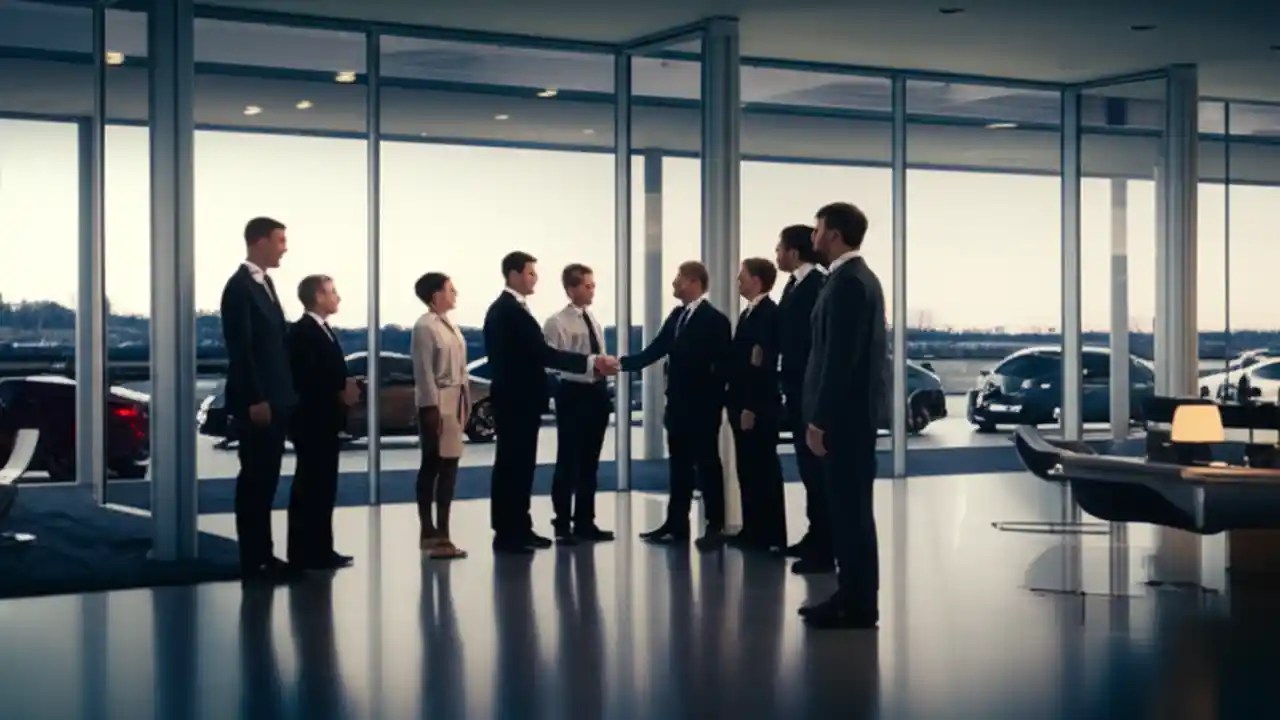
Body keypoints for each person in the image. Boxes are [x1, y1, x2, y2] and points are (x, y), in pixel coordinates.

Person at [483, 251, 618, 554]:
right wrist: (591, 363)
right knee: (513, 466)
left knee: (520, 466)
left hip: (523, 401)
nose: (535, 278)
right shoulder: (507, 311)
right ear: (514, 275)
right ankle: (510, 532)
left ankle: (519, 527)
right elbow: (544, 355)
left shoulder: (513, 310)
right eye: (530, 273)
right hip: (518, 401)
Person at [800, 202, 887, 630]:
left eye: (817, 230)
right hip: (851, 421)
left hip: (844, 424)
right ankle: (851, 596)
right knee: (849, 512)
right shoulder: (854, 279)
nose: (812, 237)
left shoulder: (849, 283)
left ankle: (856, 604)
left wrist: (820, 419)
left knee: (850, 513)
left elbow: (839, 359)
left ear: (834, 235)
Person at [620, 261, 731, 552]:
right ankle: (676, 524)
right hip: (679, 407)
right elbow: (655, 350)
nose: (674, 283)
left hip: (703, 410)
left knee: (708, 466)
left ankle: (715, 525)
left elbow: (721, 370)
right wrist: (621, 364)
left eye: (679, 278)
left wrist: (712, 406)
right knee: (679, 467)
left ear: (694, 282)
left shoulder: (715, 320)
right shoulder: (678, 316)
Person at [220, 216, 298, 582]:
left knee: (266, 480)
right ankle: (254, 560)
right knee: (255, 480)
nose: (285, 246)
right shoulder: (239, 288)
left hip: (275, 397)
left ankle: (264, 555)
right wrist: (256, 397)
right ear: (260, 241)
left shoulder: (264, 284)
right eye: (280, 240)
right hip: (259, 400)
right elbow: (243, 348)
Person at [286, 274, 358, 571]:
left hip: (325, 419)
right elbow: (306, 377)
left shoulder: (323, 330)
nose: (337, 297)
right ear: (318, 296)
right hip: (313, 420)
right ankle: (306, 552)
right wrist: (339, 389)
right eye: (332, 292)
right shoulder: (303, 332)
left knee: (323, 486)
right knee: (311, 485)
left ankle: (321, 549)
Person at [774, 224, 833, 575]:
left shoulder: (816, 285)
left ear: (794, 252)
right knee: (808, 469)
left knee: (817, 470)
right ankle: (816, 535)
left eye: (779, 248)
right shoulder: (795, 284)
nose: (776, 255)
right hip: (796, 390)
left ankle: (825, 545)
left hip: (808, 391)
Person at [543, 264, 616, 544]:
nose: (592, 290)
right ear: (571, 288)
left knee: (590, 461)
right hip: (573, 393)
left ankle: (586, 521)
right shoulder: (557, 322)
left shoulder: (592, 319)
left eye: (593, 285)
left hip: (596, 393)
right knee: (569, 460)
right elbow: (553, 362)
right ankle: (562, 522)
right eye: (587, 286)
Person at [726, 258, 786, 553]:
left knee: (762, 470)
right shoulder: (750, 313)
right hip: (740, 403)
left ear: (757, 281)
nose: (738, 278)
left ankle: (770, 534)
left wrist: (751, 406)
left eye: (743, 275)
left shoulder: (767, 314)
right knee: (747, 469)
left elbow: (761, 365)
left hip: (756, 406)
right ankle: (753, 530)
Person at [411, 272, 471, 560]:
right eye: (450, 289)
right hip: (438, 401)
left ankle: (441, 532)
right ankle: (432, 532)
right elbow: (423, 371)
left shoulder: (450, 326)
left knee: (449, 466)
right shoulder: (425, 327)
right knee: (434, 464)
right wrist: (430, 408)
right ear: (435, 295)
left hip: (455, 399)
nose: (455, 292)